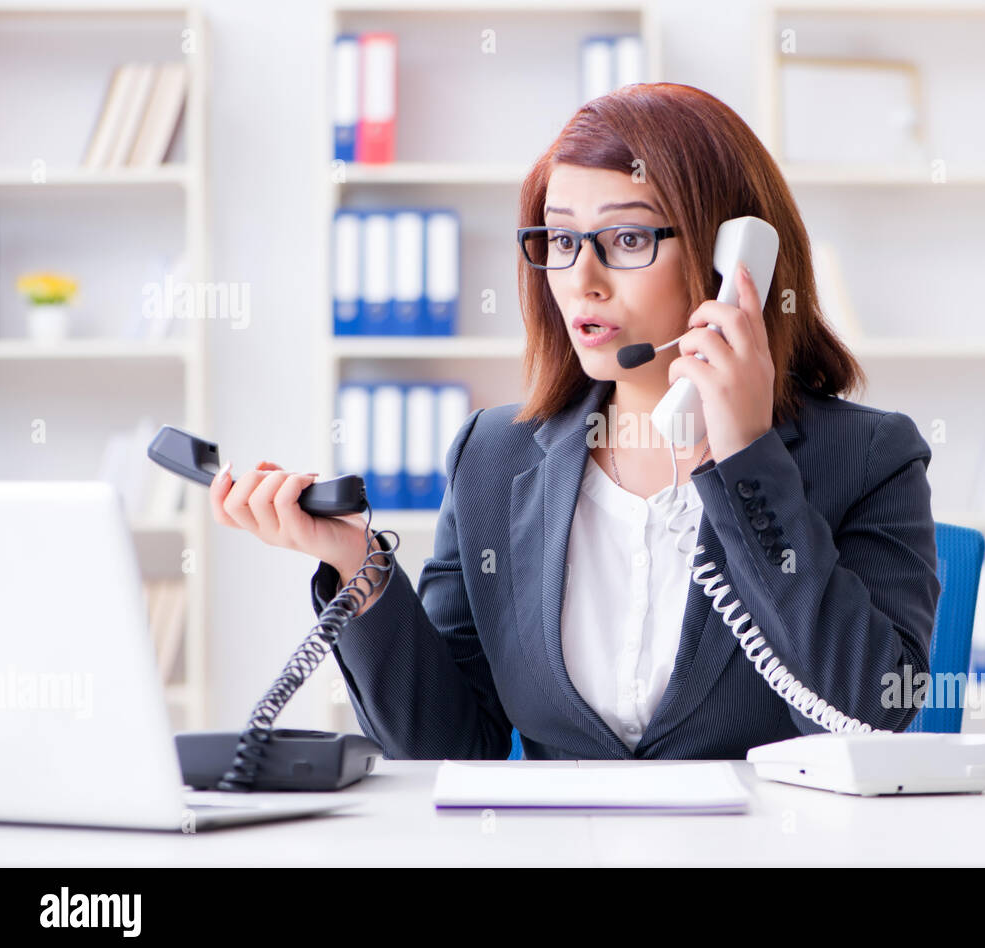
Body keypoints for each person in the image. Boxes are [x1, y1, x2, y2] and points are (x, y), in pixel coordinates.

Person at [209, 82, 940, 760]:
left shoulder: (871, 457)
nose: (582, 278)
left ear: (733, 261)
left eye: (626, 239)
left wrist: (745, 457)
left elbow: (873, 710)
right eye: (561, 240)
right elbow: (451, 749)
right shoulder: (493, 458)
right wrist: (357, 566)